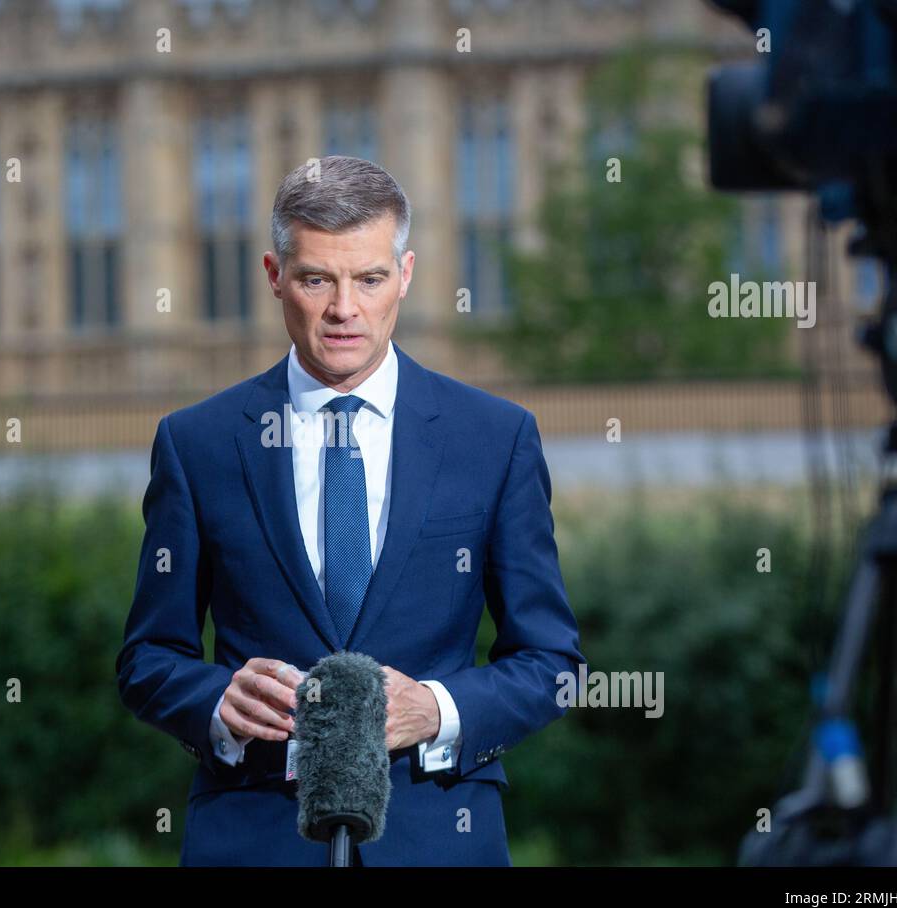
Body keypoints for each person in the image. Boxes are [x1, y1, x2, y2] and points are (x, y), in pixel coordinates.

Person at [117, 155, 586, 865]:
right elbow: (149, 658)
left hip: (439, 838)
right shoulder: (198, 443)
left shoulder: (494, 438)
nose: (345, 309)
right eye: (316, 279)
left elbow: (553, 662)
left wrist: (437, 710)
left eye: (369, 279)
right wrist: (218, 703)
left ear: (405, 275)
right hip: (252, 839)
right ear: (276, 277)